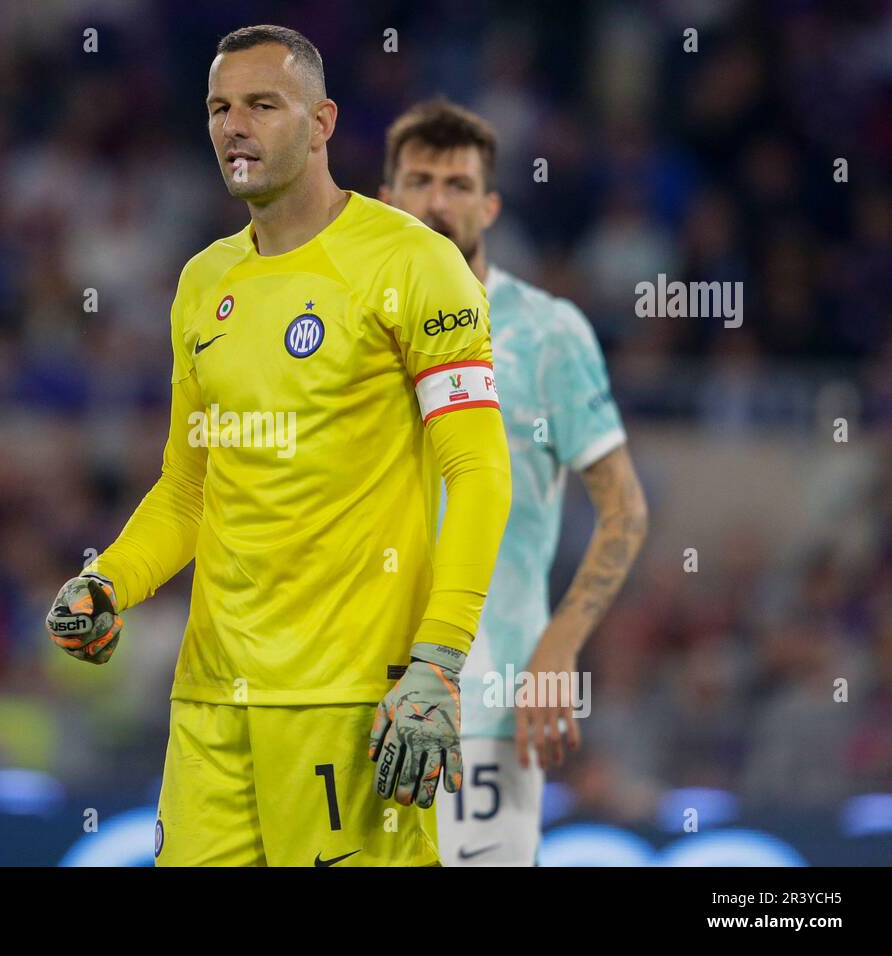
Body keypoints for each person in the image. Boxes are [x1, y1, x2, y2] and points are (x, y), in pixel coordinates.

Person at [47, 27, 511, 866]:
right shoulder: (201, 283)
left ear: (322, 120)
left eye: (264, 105)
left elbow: (478, 471)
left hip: (350, 700)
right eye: (220, 108)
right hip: (212, 705)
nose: (236, 127)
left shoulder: (415, 265)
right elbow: (188, 490)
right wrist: (109, 579)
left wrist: (438, 659)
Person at [380, 98, 649, 866]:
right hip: (352, 691)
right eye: (420, 181)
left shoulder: (548, 332)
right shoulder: (351, 328)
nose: (438, 201)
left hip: (490, 706)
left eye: (458, 184)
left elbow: (625, 512)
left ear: (490, 203)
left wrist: (558, 648)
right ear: (388, 196)